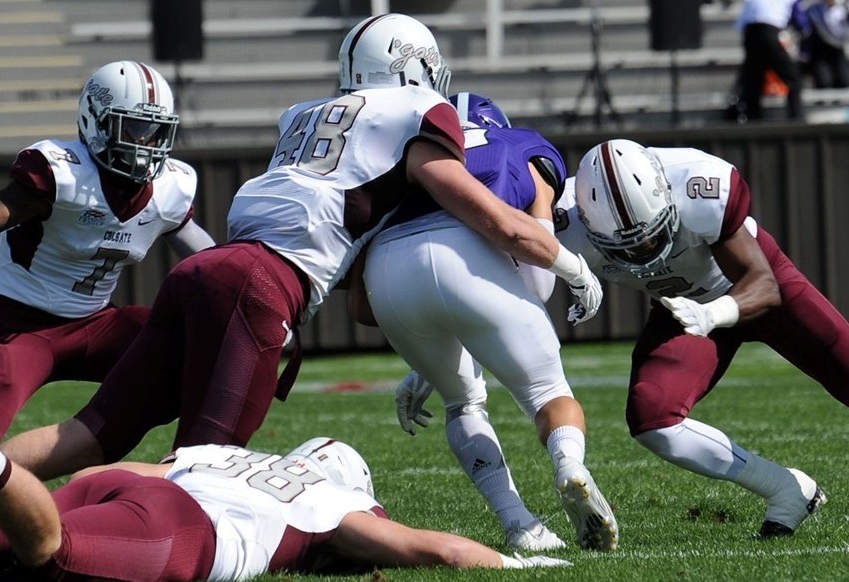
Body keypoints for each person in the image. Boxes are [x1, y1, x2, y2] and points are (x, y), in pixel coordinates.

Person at [0, 14, 600, 490]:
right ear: (416, 69)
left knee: (96, 430)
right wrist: (568, 263)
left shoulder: (303, 116)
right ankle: (59, 526)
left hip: (205, 271)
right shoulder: (420, 111)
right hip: (261, 287)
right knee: (206, 469)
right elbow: (494, 219)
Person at [0, 387, 571, 580]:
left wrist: (79, 504)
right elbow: (444, 551)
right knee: (51, 557)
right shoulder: (329, 501)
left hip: (128, 488)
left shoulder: (229, 458)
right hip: (181, 528)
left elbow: (105, 474)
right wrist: (521, 567)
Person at [359, 92, 617, 552]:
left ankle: (519, 523)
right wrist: (574, 273)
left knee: (462, 404)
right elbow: (537, 283)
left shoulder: (395, 152)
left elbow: (362, 308)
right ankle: (569, 466)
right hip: (468, 259)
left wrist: (426, 362)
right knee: (547, 394)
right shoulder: (520, 145)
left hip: (386, 273)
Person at [554, 138, 847, 537]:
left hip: (750, 288)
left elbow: (763, 284)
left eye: (652, 236)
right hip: (682, 309)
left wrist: (712, 314)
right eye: (626, 246)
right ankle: (786, 489)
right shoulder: (562, 225)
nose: (642, 249)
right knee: (653, 416)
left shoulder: (696, 183)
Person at [0, 60, 215, 452]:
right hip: (23, 326)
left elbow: (215, 262)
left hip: (98, 324)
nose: (145, 143)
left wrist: (249, 300)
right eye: (133, 128)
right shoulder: (60, 173)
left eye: (154, 132)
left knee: (198, 357)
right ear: (96, 121)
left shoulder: (170, 188)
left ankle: (181, 466)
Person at [734, 0, 810, 120]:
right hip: (769, 31)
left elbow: (741, 23)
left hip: (750, 33)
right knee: (793, 78)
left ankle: (753, 118)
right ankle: (796, 116)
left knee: (754, 78)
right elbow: (800, 22)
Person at [802, 0, 849, 88]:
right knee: (824, 81)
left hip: (838, 49)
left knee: (844, 80)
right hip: (820, 50)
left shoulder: (843, 10)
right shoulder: (814, 10)